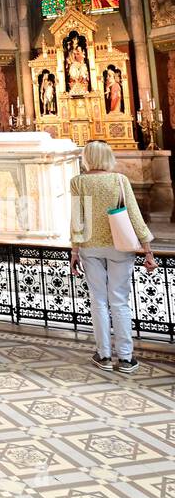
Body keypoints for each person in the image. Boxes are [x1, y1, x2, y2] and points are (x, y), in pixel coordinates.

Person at [70, 141, 156, 372]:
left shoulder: (79, 182)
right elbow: (135, 217)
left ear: (87, 157)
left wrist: (74, 250)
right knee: (119, 301)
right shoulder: (119, 180)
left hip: (90, 247)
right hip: (121, 247)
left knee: (98, 301)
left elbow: (78, 219)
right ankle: (126, 358)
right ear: (108, 157)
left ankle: (104, 355)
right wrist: (147, 250)